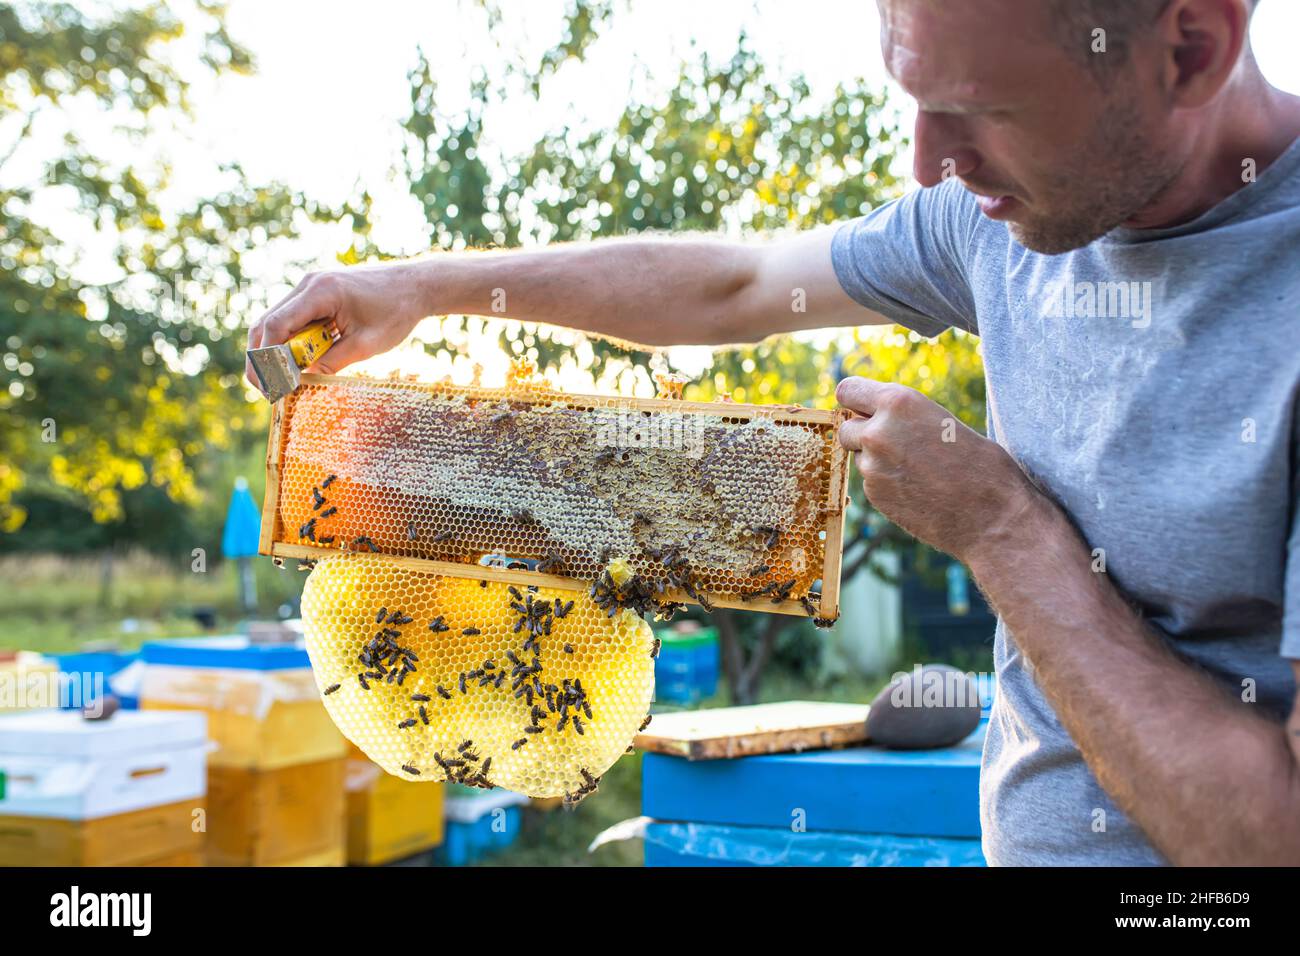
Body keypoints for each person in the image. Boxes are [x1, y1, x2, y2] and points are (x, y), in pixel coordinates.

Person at [247, 0, 1300, 865]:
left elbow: (1270, 832)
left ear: (1190, 47)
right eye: (913, 104)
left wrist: (1001, 531)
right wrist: (423, 289)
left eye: (978, 110)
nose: (930, 165)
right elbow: (734, 285)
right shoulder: (994, 221)